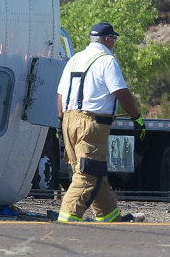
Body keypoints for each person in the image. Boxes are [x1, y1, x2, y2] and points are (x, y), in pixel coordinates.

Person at [55, 22, 146, 223]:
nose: (114, 43)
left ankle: (109, 215)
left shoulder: (75, 59)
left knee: (95, 172)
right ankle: (67, 216)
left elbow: (60, 95)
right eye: (113, 39)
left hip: (68, 120)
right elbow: (120, 92)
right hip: (91, 124)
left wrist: (61, 123)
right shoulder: (107, 60)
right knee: (88, 173)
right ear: (107, 40)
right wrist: (136, 118)